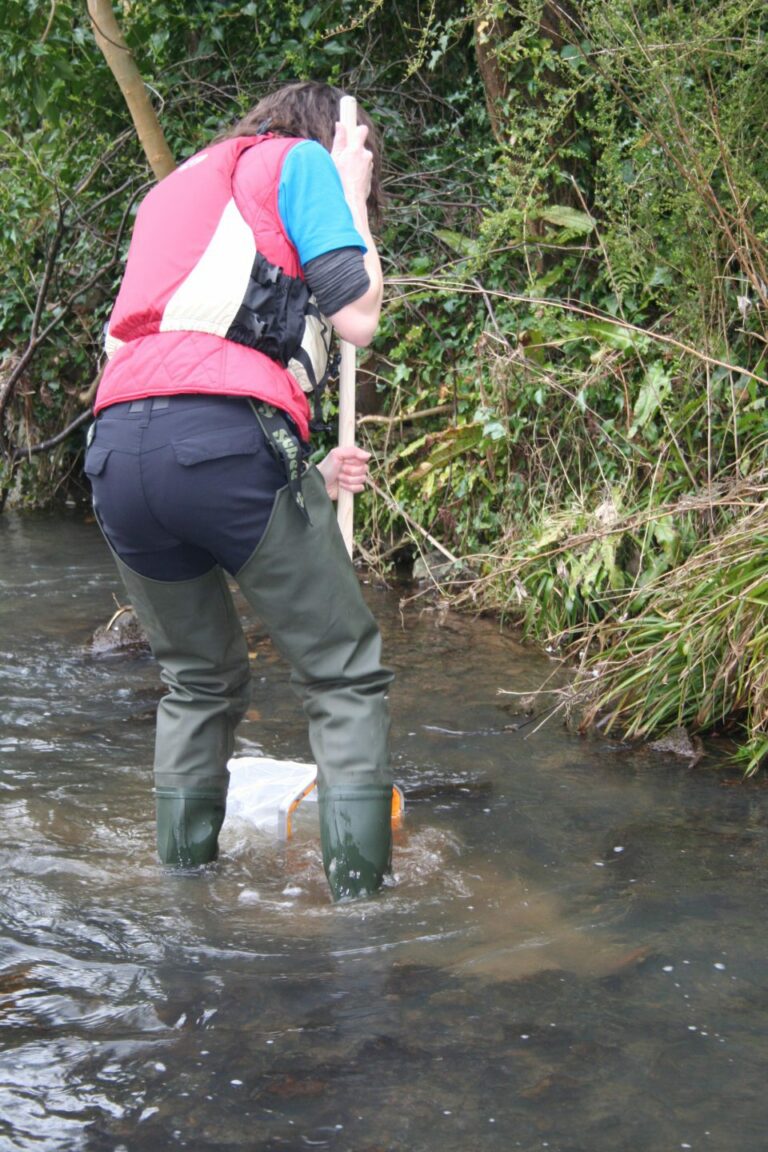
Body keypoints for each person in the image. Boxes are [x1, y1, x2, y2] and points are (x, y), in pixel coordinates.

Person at [84, 82, 394, 900]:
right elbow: (357, 312)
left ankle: (183, 892)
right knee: (343, 674)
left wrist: (305, 476)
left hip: (118, 452)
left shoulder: (173, 191)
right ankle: (364, 910)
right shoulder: (300, 164)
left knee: (200, 679)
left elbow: (175, 345)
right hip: (222, 444)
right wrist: (351, 194)